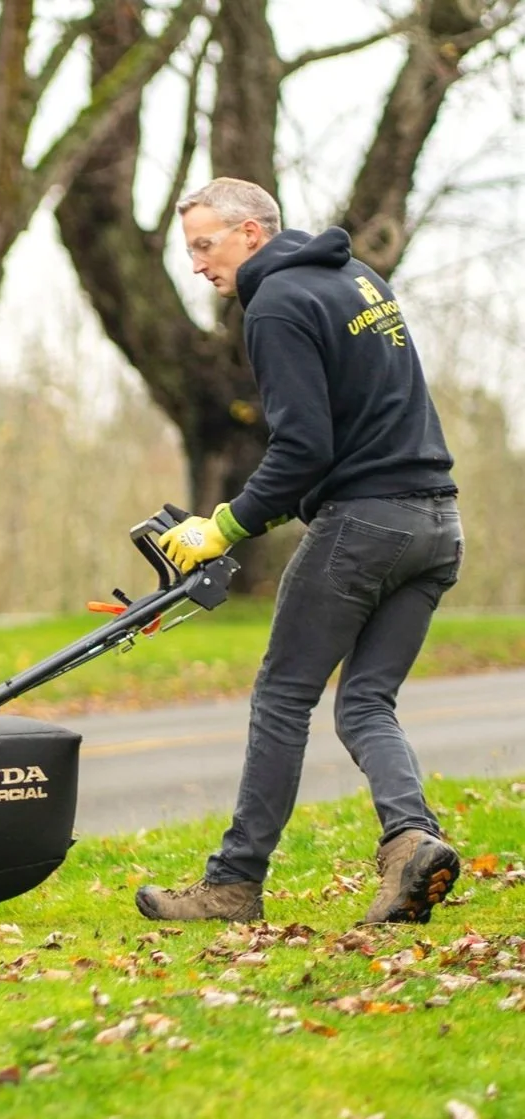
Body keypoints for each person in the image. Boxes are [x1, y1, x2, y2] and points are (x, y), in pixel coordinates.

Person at [136, 177, 465, 926]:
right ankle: (412, 844)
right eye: (190, 249)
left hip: (366, 523)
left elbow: (305, 449)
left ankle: (233, 884)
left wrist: (225, 525)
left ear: (252, 233)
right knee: (365, 701)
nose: (197, 264)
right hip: (437, 524)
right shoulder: (357, 278)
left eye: (205, 244)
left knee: (284, 696)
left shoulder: (277, 303)